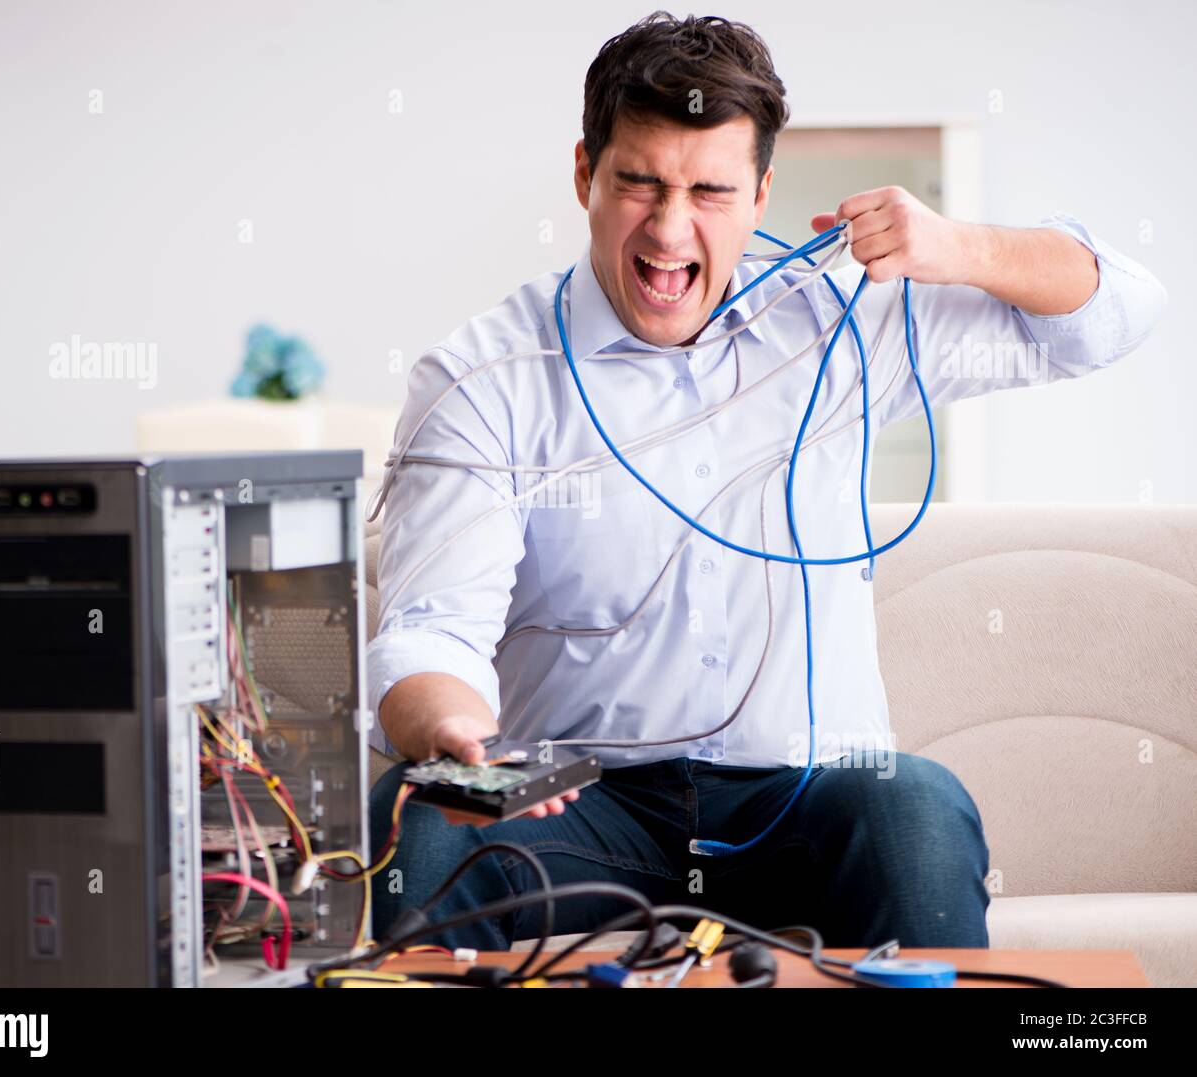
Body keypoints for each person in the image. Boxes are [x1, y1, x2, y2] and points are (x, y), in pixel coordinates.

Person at [365, 11, 1167, 951]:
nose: (669, 230)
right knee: (423, 819)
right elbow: (431, 632)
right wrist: (459, 733)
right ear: (585, 172)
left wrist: (959, 248)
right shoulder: (483, 376)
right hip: (583, 811)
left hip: (805, 803)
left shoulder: (838, 323)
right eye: (638, 183)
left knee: (911, 802)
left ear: (761, 194)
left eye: (710, 190)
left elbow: (1120, 311)